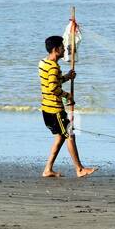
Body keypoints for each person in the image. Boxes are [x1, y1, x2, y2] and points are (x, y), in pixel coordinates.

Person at [39, 35, 96, 179]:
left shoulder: (43, 63)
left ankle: (48, 170)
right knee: (70, 135)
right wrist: (67, 95)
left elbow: (53, 81)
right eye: (62, 47)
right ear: (55, 49)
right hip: (55, 110)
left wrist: (67, 77)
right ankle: (79, 169)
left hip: (46, 109)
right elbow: (53, 88)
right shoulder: (53, 67)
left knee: (60, 137)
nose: (65, 49)